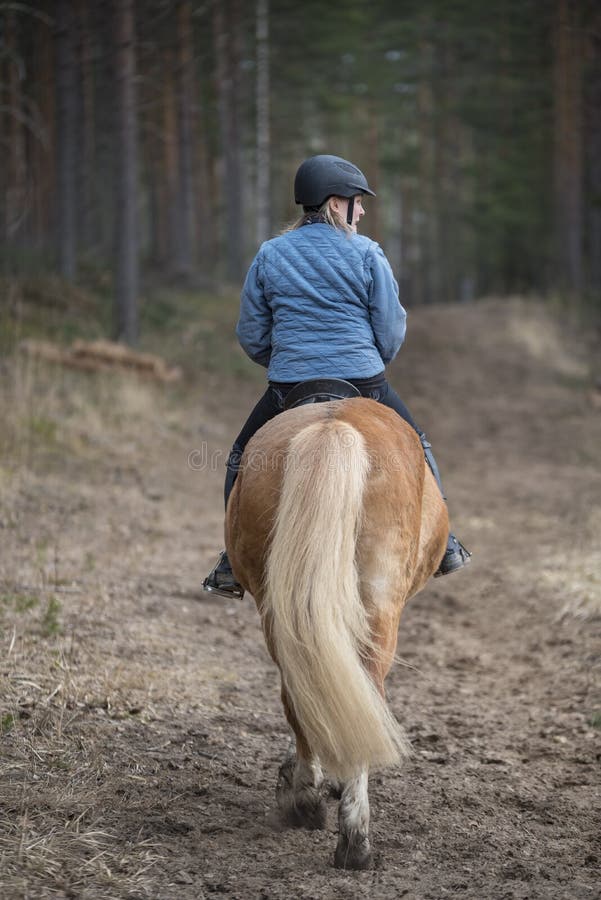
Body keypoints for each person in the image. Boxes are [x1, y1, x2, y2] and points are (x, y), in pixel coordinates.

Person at [203, 154, 470, 598]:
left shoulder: (269, 254)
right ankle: (445, 546)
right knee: (419, 447)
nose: (362, 210)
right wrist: (368, 358)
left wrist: (288, 358)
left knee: (239, 458)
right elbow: (390, 329)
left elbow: (251, 333)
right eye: (356, 201)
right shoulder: (367, 253)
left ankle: (232, 560)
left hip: (289, 387)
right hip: (365, 383)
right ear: (333, 203)